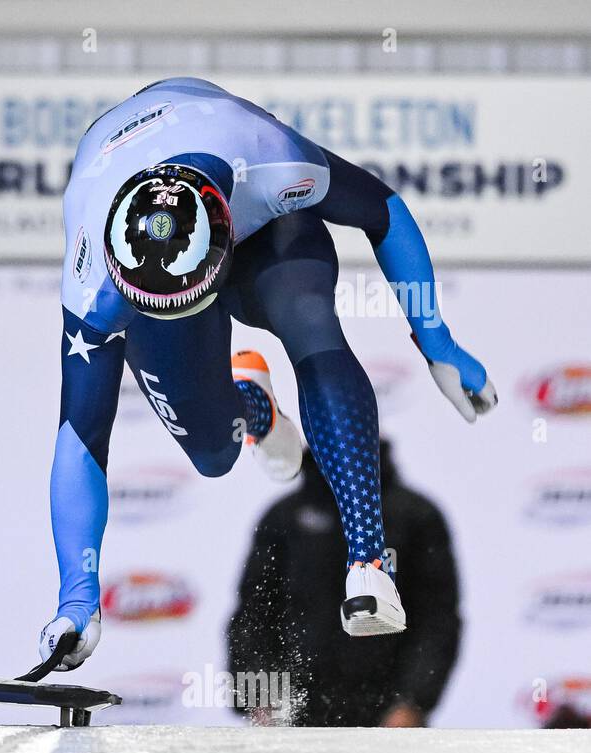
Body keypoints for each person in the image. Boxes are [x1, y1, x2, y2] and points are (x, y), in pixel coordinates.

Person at [40, 77, 497, 670]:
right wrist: (77, 600)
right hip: (158, 243)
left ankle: (368, 564)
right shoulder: (93, 285)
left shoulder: (267, 158)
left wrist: (437, 341)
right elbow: (80, 439)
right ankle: (253, 404)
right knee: (213, 454)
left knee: (310, 323)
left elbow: (384, 210)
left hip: (258, 224)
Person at [227, 440, 462, 726]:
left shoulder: (416, 517)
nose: (341, 439)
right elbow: (253, 615)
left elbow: (437, 620)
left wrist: (413, 701)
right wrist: (261, 698)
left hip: (387, 718)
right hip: (294, 716)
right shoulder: (282, 519)